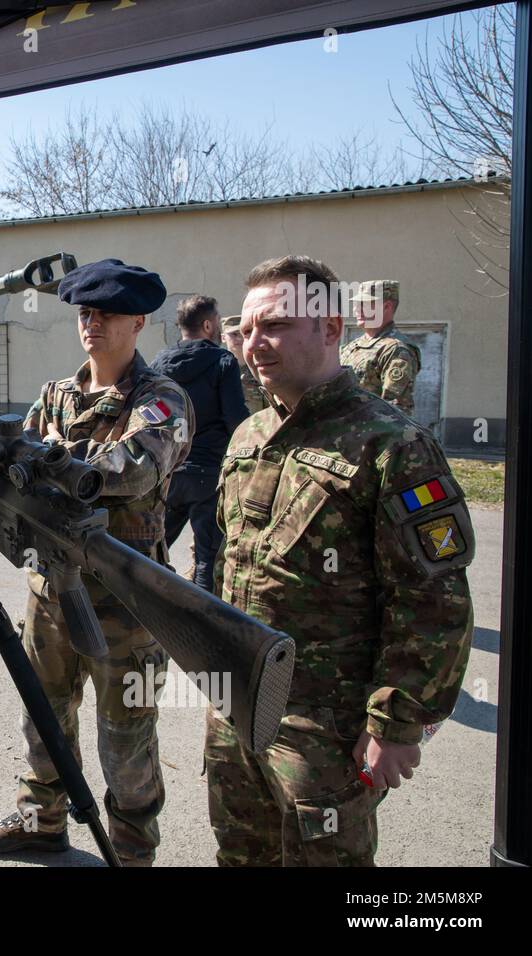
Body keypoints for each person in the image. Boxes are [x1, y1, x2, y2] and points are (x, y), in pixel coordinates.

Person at [209, 255, 474, 866]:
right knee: (240, 856)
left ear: (329, 329)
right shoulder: (248, 435)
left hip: (327, 725)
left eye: (273, 325)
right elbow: (232, 561)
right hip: (238, 705)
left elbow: (433, 599)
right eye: (247, 331)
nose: (255, 344)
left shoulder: (393, 444)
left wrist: (397, 724)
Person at [0, 259, 192, 865]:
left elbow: (133, 468)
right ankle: (41, 820)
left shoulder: (162, 400)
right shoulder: (56, 395)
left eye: (107, 314)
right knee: (42, 714)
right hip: (50, 588)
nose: (92, 324)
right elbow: (19, 470)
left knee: (126, 739)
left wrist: (63, 465)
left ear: (139, 322)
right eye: (85, 313)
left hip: (126, 599)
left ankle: (131, 848)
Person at [151, 295, 249, 589]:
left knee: (153, 549)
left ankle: (141, 612)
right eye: (218, 323)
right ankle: (203, 621)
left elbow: (151, 416)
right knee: (208, 555)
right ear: (208, 324)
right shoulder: (223, 361)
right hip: (208, 473)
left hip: (169, 471)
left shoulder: (158, 362)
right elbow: (236, 419)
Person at [340, 280, 421, 416]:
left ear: (386, 307)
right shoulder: (350, 347)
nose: (356, 309)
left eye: (364, 304)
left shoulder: (396, 350)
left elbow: (394, 410)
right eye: (356, 304)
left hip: (368, 433)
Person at [221, 313, 268, 414]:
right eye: (234, 334)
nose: (239, 338)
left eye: (243, 333)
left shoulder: (260, 366)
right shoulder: (219, 369)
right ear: (223, 338)